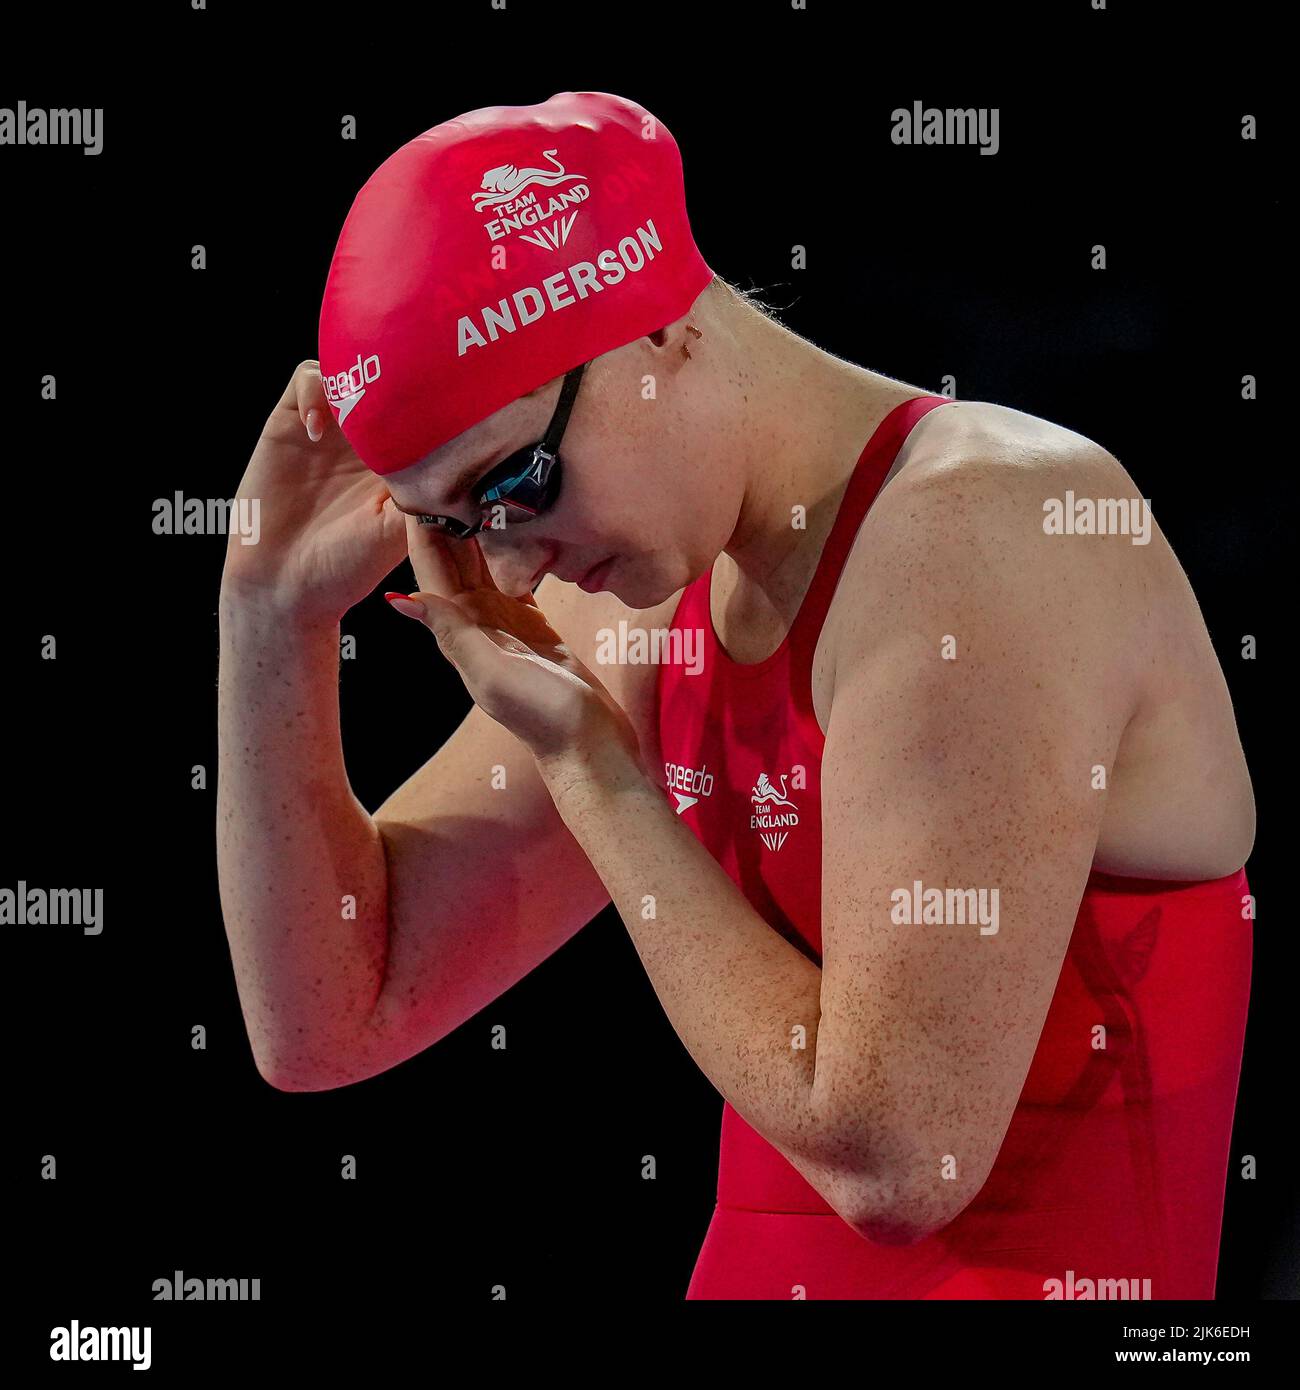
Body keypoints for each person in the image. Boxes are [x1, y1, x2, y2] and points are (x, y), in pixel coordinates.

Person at [216, 91, 1256, 1299]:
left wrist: (593, 767)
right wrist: (268, 620)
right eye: (451, 524)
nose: (507, 567)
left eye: (518, 483)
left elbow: (901, 1161)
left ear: (656, 328)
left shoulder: (988, 531)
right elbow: (329, 1019)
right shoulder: (646, 608)